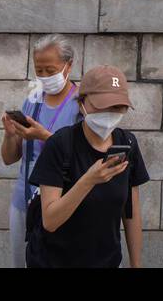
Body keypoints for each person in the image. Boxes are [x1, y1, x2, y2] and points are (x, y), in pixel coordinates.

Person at [26, 65, 149, 268]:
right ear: (82, 103)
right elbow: (50, 221)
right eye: (102, 105)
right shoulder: (61, 143)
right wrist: (89, 180)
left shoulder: (128, 143)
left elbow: (131, 212)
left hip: (106, 262)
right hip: (54, 261)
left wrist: (136, 264)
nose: (109, 113)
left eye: (117, 107)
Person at [0, 34, 81, 268]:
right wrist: (10, 134)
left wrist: (43, 135)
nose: (45, 76)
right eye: (39, 70)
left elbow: (82, 156)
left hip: (60, 203)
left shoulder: (80, 103)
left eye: (50, 70)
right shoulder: (33, 101)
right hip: (23, 201)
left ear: (69, 66)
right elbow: (9, 158)